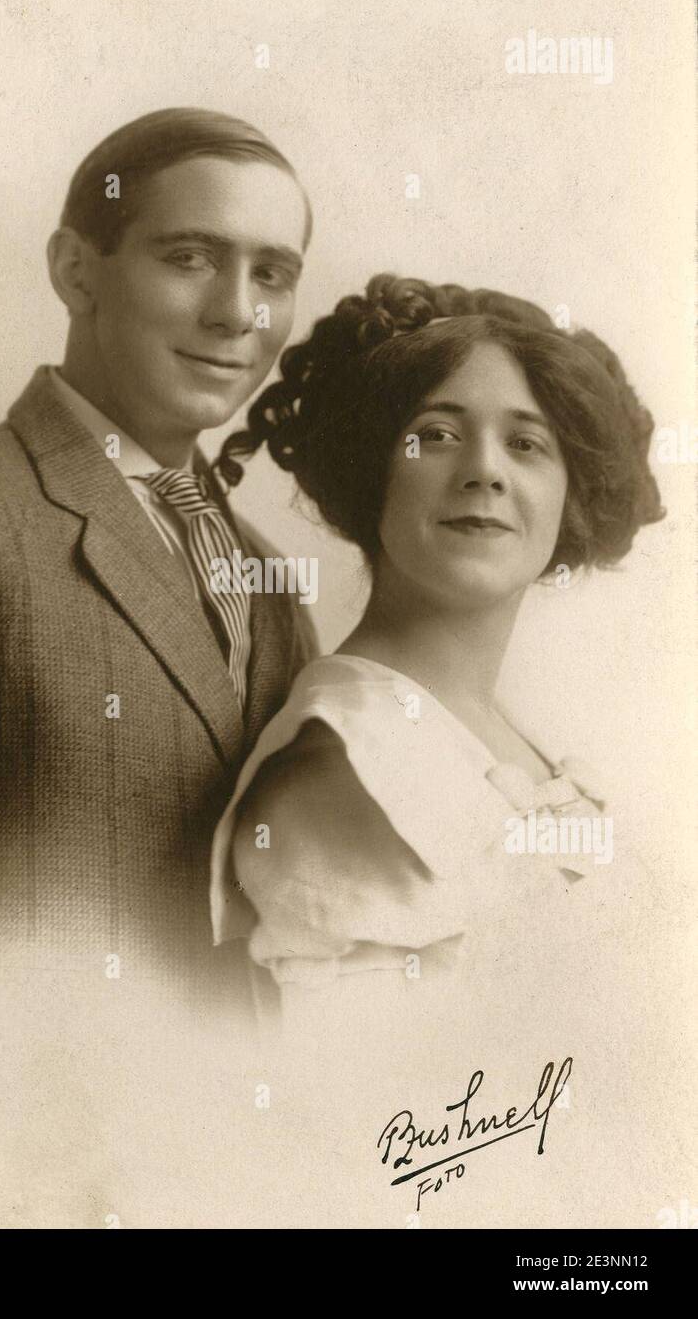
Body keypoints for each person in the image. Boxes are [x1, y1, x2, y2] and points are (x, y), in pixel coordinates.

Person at [0, 107, 317, 1009]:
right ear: (76, 271)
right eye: (190, 257)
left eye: (272, 274)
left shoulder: (275, 583)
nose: (236, 312)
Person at [210, 274, 664, 1030]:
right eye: (438, 435)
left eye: (526, 445)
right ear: (373, 471)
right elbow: (373, 1109)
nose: (485, 470)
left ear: (568, 496)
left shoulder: (498, 736)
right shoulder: (348, 762)